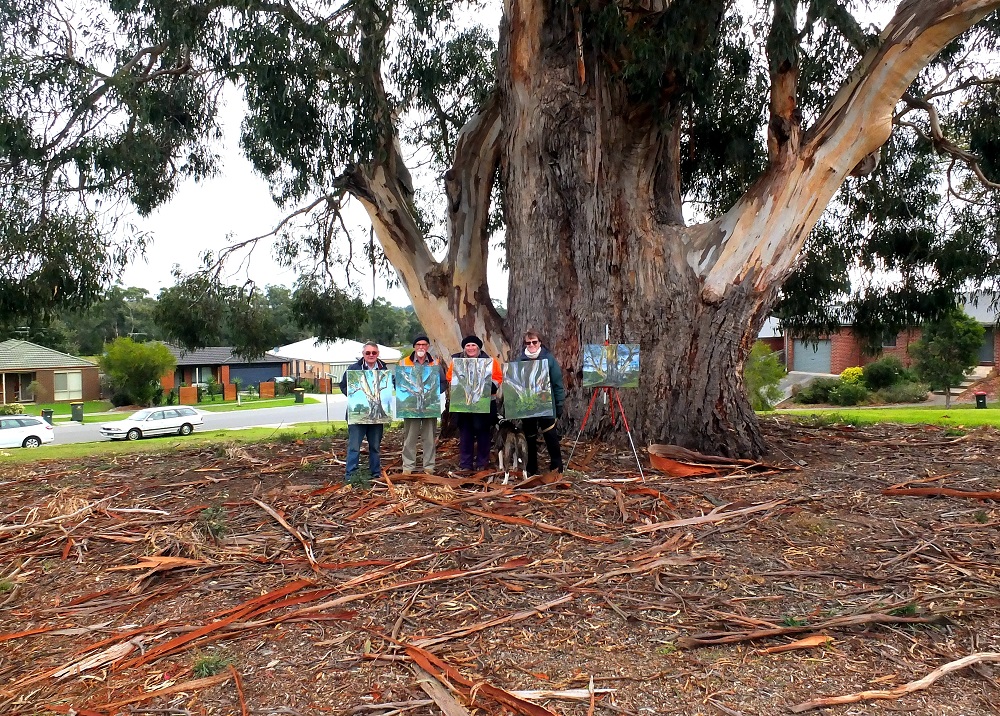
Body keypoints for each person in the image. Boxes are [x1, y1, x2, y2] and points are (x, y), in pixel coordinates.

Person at [447, 335, 502, 470]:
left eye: (473, 345)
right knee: (465, 434)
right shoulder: (456, 362)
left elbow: (498, 378)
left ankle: (482, 463)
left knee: (483, 434)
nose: (470, 348)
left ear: (479, 348)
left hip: (485, 404)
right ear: (464, 348)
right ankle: (466, 464)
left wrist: (490, 386)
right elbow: (450, 377)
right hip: (463, 404)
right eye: (468, 345)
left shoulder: (490, 362)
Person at [339, 341, 388, 482]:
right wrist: (354, 396)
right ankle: (351, 475)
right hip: (357, 417)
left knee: (375, 447)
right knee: (354, 447)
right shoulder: (353, 368)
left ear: (378, 354)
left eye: (374, 352)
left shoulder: (383, 369)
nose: (371, 355)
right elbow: (343, 385)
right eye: (368, 352)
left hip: (377, 416)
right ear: (363, 354)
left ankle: (375, 473)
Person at [516, 331, 565, 474]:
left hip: (547, 405)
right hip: (527, 406)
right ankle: (531, 467)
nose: (531, 345)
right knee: (530, 437)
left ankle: (557, 466)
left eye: (534, 342)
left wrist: (559, 405)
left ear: (540, 343)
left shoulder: (549, 360)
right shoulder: (520, 361)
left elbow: (557, 384)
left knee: (550, 436)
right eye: (528, 343)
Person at [399, 335, 446, 474]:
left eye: (424, 344)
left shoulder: (435, 363)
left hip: (429, 407)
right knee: (410, 438)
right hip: (410, 408)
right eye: (418, 344)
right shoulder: (403, 363)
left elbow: (443, 382)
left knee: (429, 438)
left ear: (428, 347)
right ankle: (408, 467)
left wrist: (434, 394)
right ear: (414, 347)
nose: (421, 347)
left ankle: (429, 467)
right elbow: (398, 382)